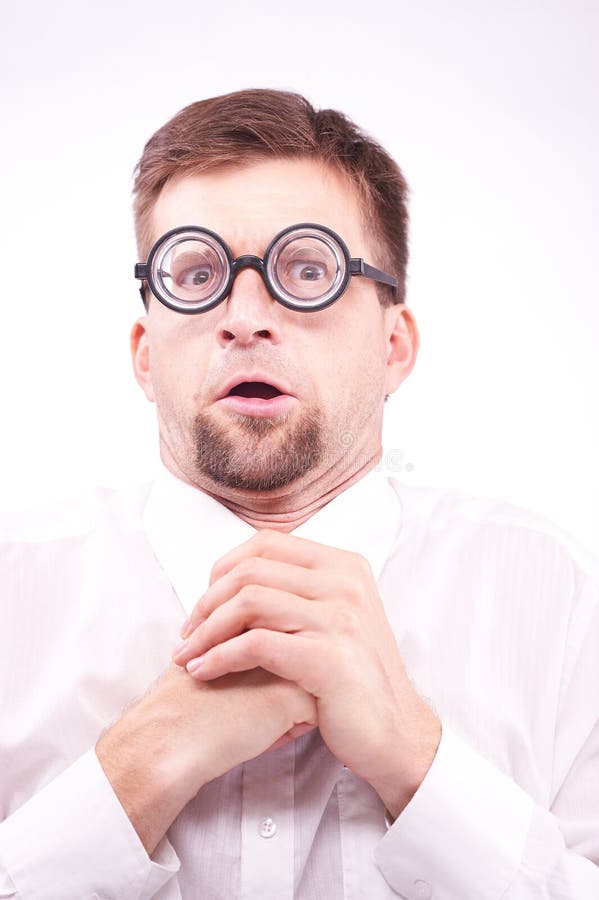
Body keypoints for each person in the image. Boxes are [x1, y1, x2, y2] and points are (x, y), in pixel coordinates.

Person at [0, 89, 597, 900]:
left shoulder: (554, 594)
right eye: (197, 272)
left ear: (393, 346)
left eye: (306, 270)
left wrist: (415, 758)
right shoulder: (12, 591)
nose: (245, 317)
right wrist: (141, 764)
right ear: (144, 354)